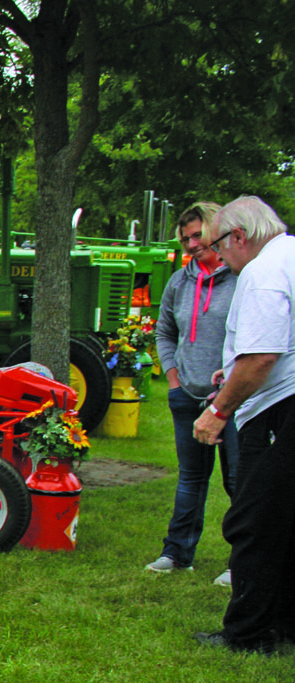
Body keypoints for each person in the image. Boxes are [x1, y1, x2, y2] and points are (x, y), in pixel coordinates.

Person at [191, 196, 295, 653]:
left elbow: (262, 357)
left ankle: (249, 633)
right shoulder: (289, 255)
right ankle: (284, 623)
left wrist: (218, 411)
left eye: (217, 245)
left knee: (253, 520)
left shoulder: (261, 272)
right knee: (284, 519)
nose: (219, 259)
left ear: (239, 237)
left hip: (278, 409)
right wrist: (231, 371)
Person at [146, 202, 238, 581]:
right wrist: (173, 379)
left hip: (233, 399)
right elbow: (164, 331)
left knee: (238, 480)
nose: (191, 244)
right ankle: (178, 553)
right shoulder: (179, 282)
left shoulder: (241, 277)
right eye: (185, 238)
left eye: (198, 235)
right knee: (190, 478)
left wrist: (231, 390)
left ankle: (242, 562)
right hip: (187, 394)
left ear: (218, 230)